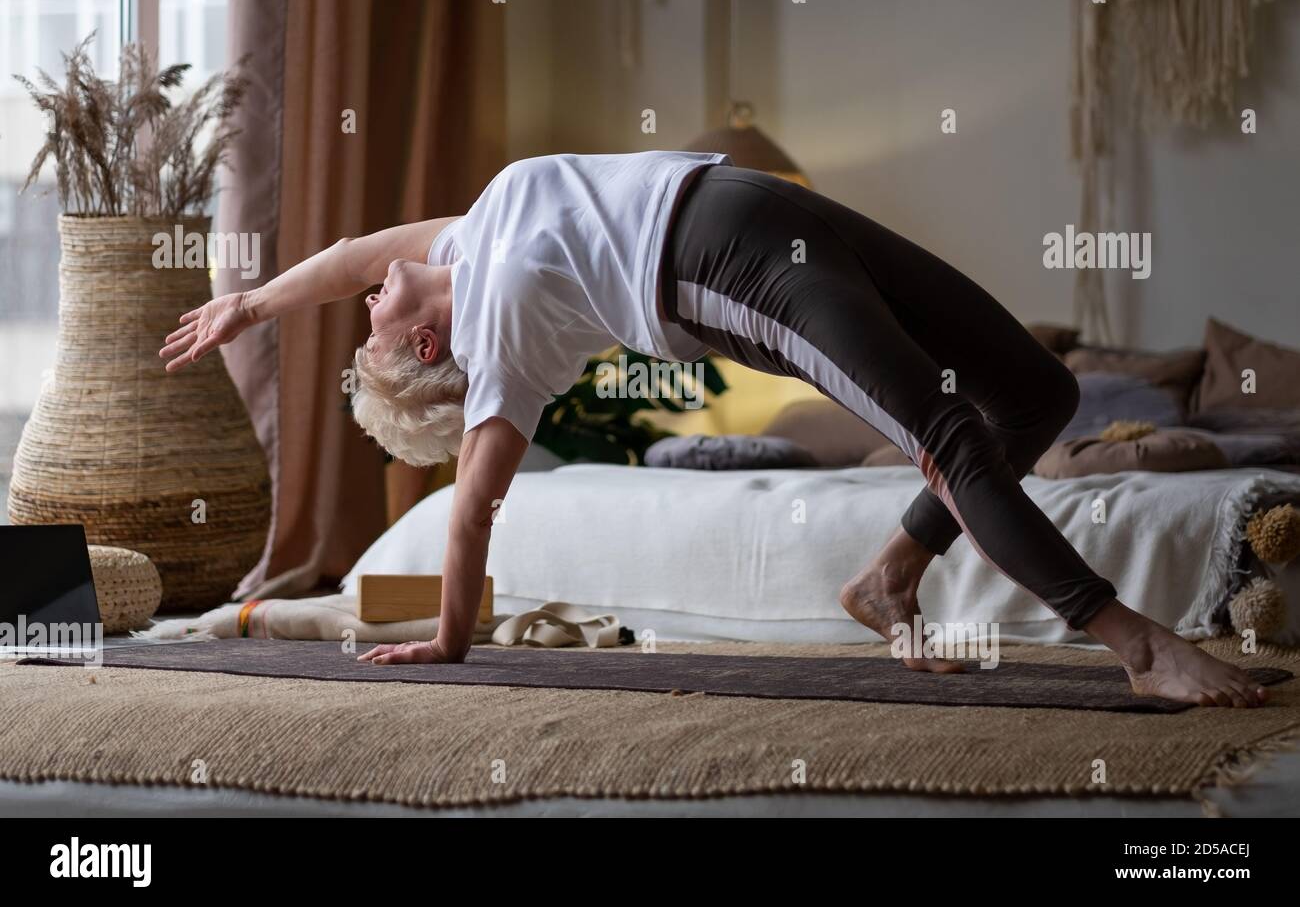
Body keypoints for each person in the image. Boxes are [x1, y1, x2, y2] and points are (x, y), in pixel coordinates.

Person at [162, 150, 1267, 708]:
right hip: (727, 272)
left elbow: (354, 252)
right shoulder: (504, 344)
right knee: (945, 431)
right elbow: (466, 518)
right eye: (370, 328)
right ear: (420, 352)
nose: (365, 299)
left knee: (1036, 390)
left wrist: (251, 304)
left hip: (766, 204)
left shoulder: (473, 231)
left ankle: (889, 574)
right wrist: (451, 638)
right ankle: (1137, 643)